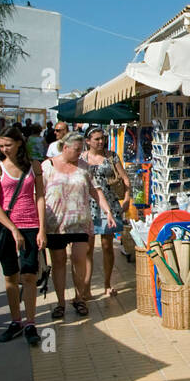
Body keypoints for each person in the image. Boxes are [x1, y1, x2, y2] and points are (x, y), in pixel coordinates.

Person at [42, 133, 116, 318]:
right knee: (58, 262)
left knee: (79, 259)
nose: (79, 153)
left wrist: (107, 210)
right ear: (65, 148)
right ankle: (60, 303)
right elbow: (39, 194)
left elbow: (95, 189)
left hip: (80, 223)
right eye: (76, 150)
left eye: (80, 149)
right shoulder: (48, 166)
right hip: (55, 224)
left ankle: (79, 298)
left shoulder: (84, 167)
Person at [0, 123, 47, 347]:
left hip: (31, 225)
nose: (4, 149)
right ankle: (16, 320)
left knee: (30, 275)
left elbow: (40, 197)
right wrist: (12, 229)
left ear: (19, 143)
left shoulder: (33, 166)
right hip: (7, 226)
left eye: (8, 145)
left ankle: (30, 322)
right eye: (1, 146)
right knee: (10, 276)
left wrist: (42, 228)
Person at [80, 129, 130, 298]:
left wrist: (127, 198)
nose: (101, 142)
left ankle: (107, 283)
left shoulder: (111, 156)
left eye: (103, 139)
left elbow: (125, 178)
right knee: (87, 247)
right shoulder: (81, 158)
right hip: (88, 205)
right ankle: (86, 286)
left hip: (109, 203)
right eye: (97, 139)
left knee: (107, 245)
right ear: (88, 141)